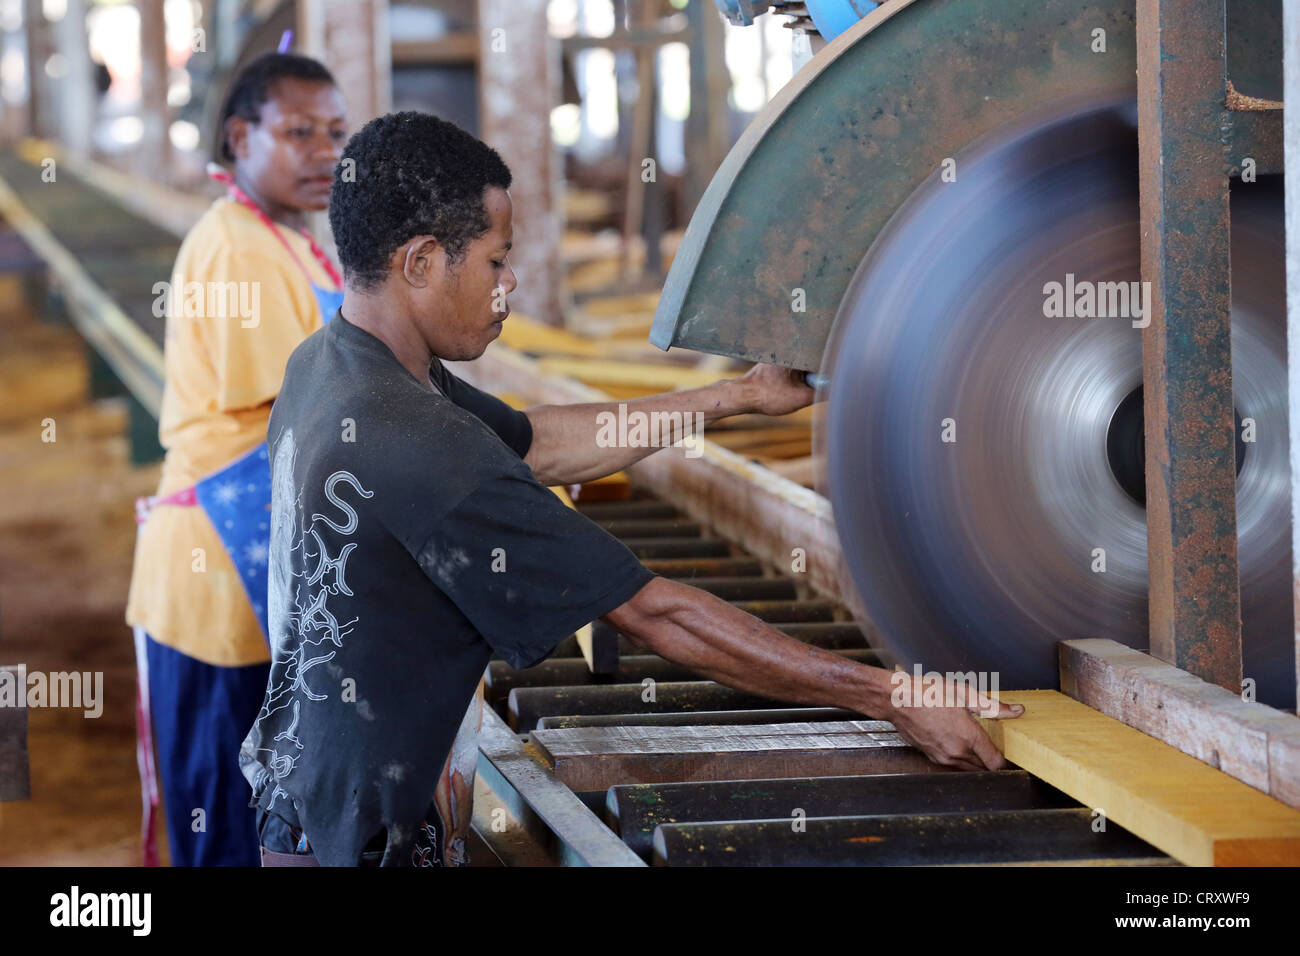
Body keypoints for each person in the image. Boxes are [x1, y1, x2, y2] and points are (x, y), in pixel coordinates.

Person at [241, 111, 1023, 867]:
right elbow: (657, 614)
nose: (509, 284)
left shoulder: (333, 366)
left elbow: (540, 442)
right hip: (364, 832)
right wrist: (890, 695)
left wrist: (736, 397)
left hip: (304, 793)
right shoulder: (424, 449)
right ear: (419, 262)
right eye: (494, 261)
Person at [125, 52, 347, 866]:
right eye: (298, 133)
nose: (325, 152)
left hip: (258, 562)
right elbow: (306, 415)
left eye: (335, 131)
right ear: (240, 136)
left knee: (250, 818)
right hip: (219, 579)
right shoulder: (241, 250)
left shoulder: (287, 240)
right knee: (225, 819)